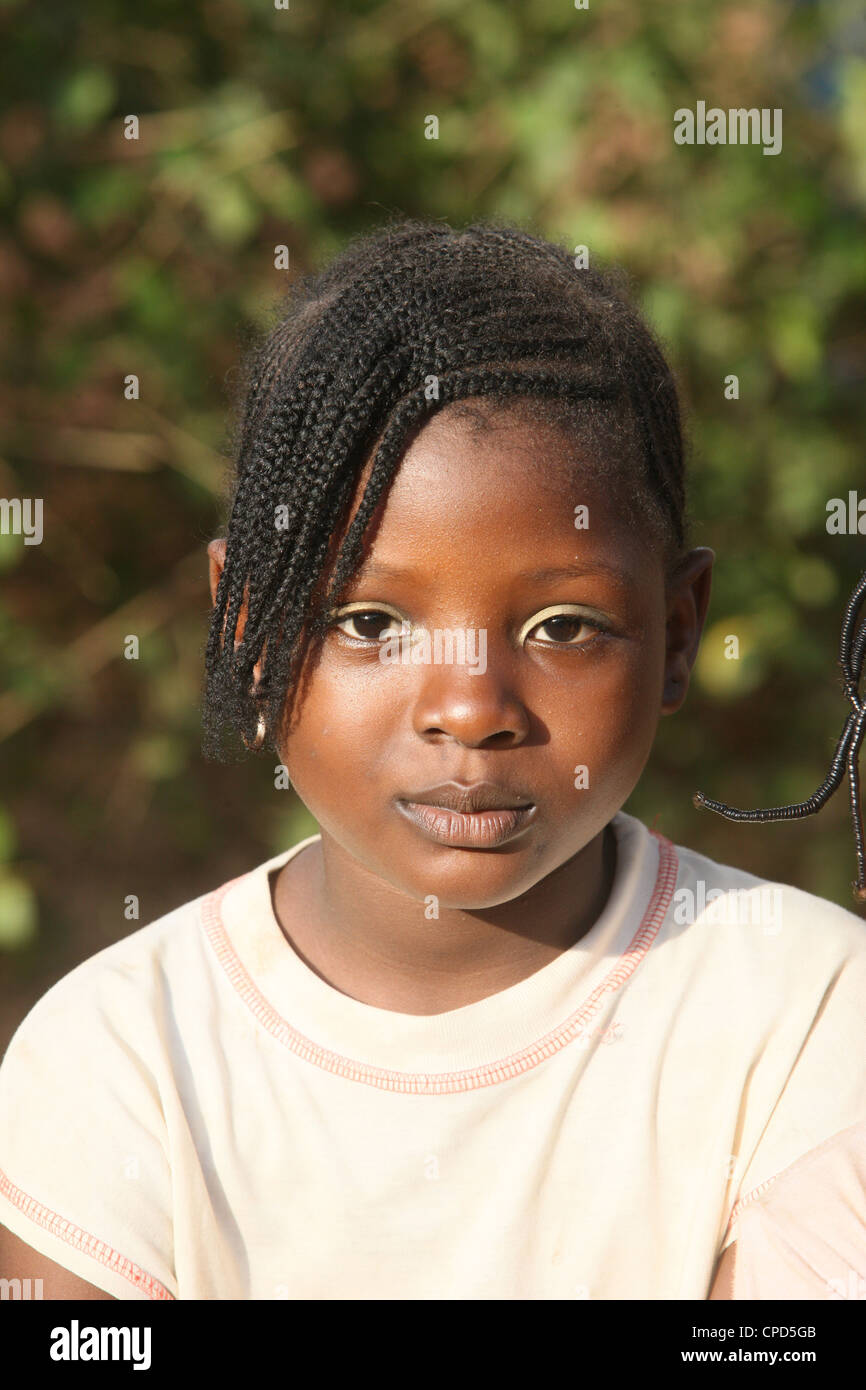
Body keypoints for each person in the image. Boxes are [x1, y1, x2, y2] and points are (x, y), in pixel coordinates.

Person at [1, 218, 864, 1301]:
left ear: (678, 632)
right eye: (367, 622)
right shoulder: (121, 1054)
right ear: (247, 629)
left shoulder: (806, 1011)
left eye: (561, 626)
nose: (469, 708)